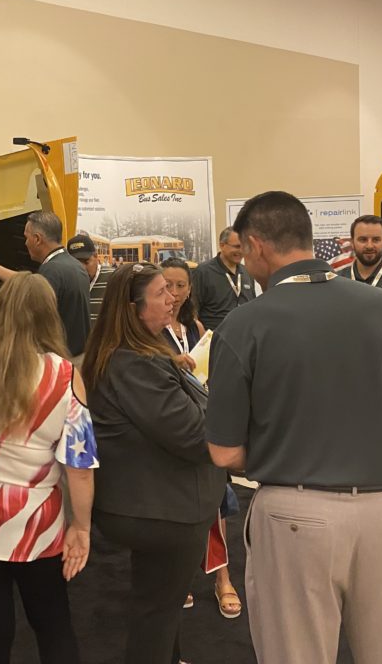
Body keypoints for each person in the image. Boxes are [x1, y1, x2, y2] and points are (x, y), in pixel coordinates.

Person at [205, 191, 382, 664]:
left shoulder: (243, 325)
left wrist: (293, 451)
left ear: (255, 245)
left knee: (296, 653)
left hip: (293, 512)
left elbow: (223, 453)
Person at [82, 262, 225, 664]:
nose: (172, 298)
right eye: (161, 292)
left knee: (158, 605)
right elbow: (194, 437)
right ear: (133, 309)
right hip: (163, 508)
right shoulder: (135, 363)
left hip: (157, 503)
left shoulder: (136, 356)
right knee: (157, 612)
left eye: (173, 289)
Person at [0, 272, 97, 664]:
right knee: (53, 626)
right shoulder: (65, 375)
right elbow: (79, 468)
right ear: (50, 314)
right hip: (39, 524)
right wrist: (80, 527)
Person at [161, 257, 242, 621]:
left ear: (190, 288)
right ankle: (180, 579)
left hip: (205, 423)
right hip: (170, 430)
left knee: (217, 501)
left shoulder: (194, 326)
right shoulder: (146, 330)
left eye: (180, 286)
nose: (174, 294)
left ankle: (222, 577)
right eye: (167, 286)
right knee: (176, 505)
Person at [0, 210, 91, 356]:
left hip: (60, 361)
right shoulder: (71, 265)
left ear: (37, 239)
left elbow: (32, 311)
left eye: (26, 237)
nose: (25, 243)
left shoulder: (52, 271)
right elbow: (27, 282)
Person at [192, 227, 256, 332]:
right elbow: (193, 310)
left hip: (244, 337)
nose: (240, 251)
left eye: (243, 247)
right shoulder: (203, 272)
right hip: (215, 339)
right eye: (236, 246)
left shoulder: (247, 273)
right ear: (222, 245)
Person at [335, 214, 382, 292]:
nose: (369, 246)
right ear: (352, 242)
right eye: (363, 240)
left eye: (376, 240)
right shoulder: (337, 280)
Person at [67, 232, 115, 324]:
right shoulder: (67, 283)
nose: (82, 268)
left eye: (86, 262)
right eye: (76, 263)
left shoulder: (114, 278)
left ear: (96, 256)